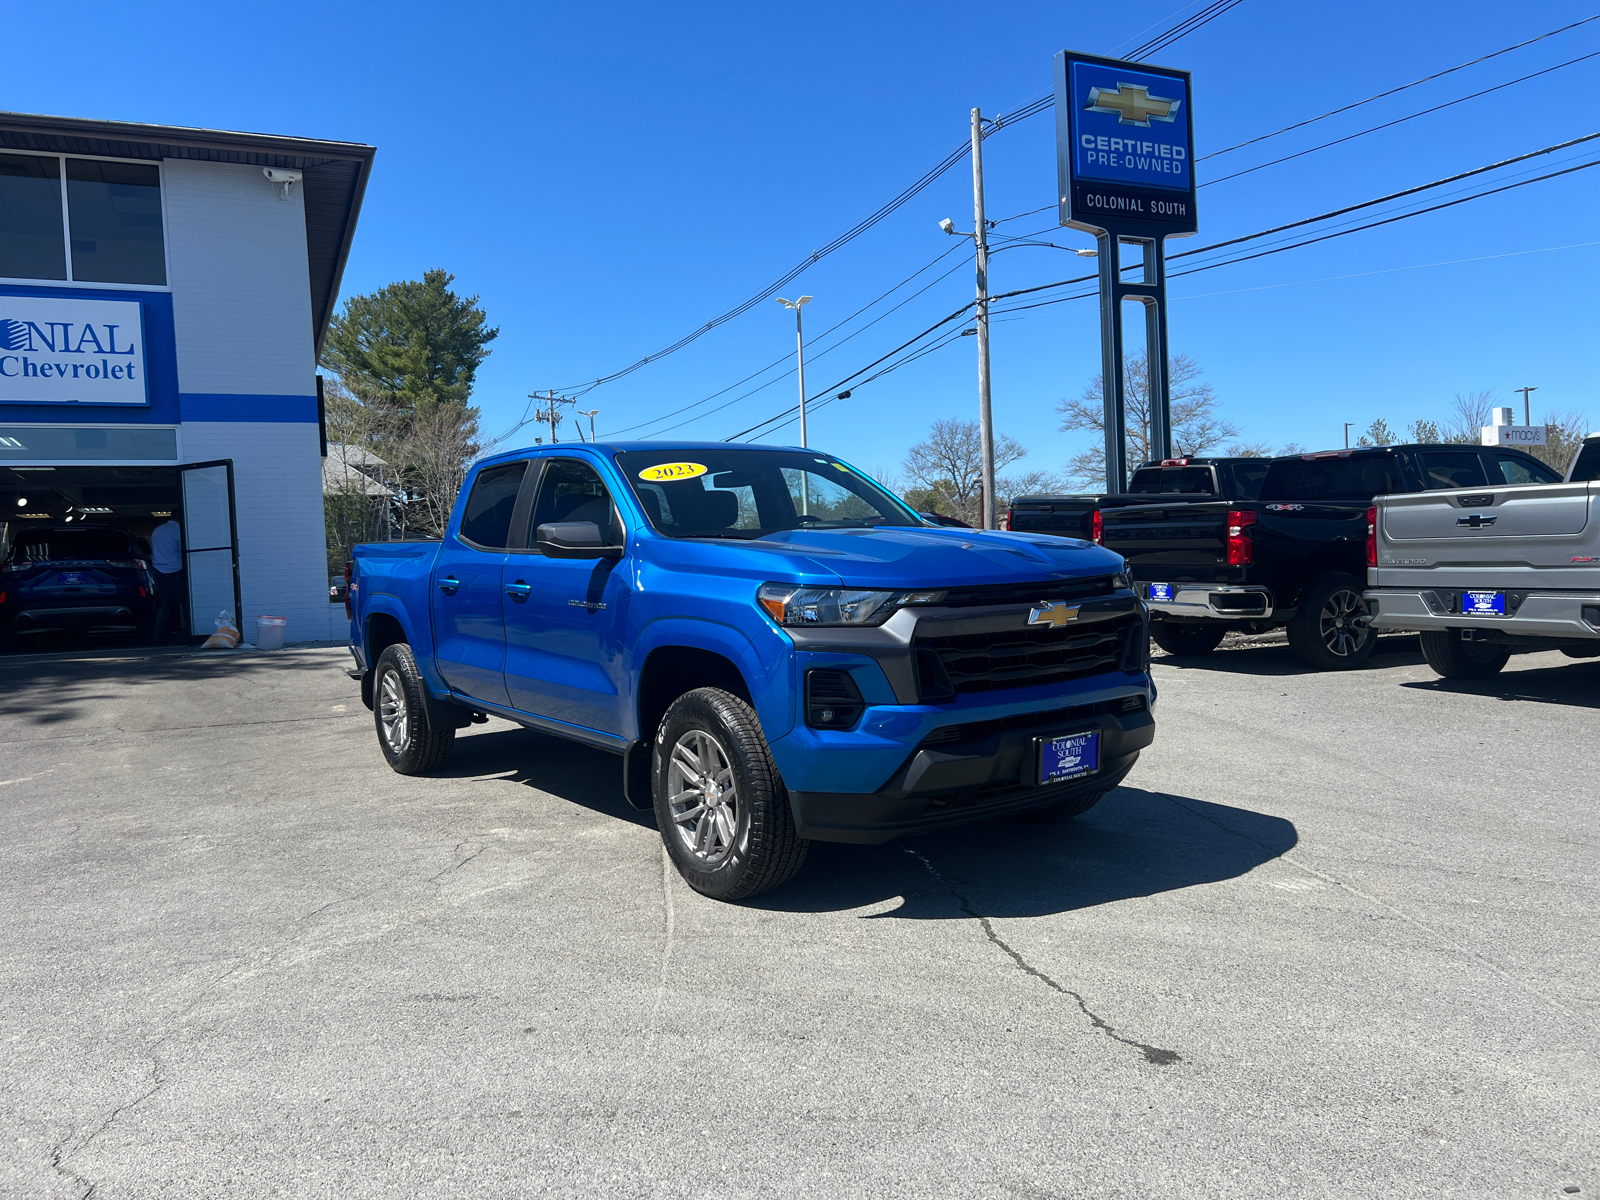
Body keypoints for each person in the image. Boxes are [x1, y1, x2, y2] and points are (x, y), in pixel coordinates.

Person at [150, 517, 186, 643]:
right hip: (175, 570)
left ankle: (159, 633)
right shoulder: (179, 531)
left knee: (164, 603)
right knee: (183, 602)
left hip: (158, 570)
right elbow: (184, 550)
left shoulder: (157, 530)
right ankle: (185, 630)